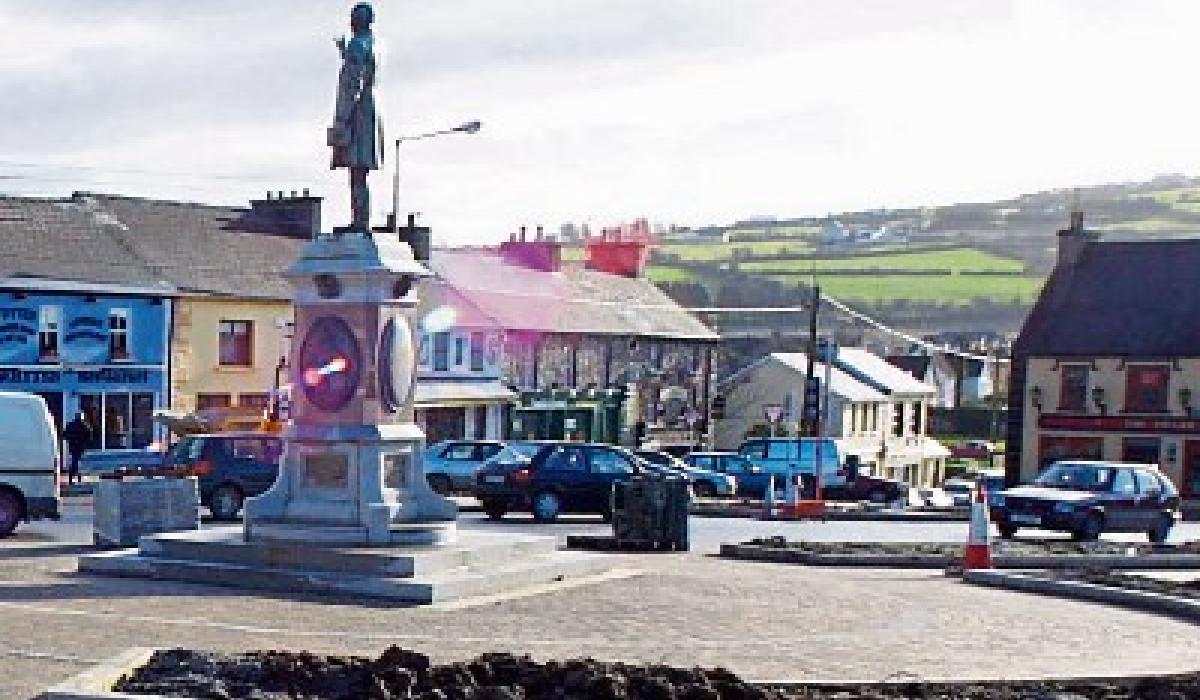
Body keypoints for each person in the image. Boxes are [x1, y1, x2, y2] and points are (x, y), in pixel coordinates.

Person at [329, 2, 384, 233]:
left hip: (357, 114)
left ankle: (359, 222)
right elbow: (362, 71)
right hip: (370, 111)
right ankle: (361, 220)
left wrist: (341, 120)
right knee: (359, 172)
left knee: (356, 171)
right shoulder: (375, 44)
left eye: (353, 18)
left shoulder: (357, 45)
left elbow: (353, 83)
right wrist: (345, 54)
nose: (350, 22)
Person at [62, 412, 93, 485]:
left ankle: (73, 477)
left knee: (74, 461)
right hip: (80, 446)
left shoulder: (70, 425)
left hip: (73, 446)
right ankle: (77, 477)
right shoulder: (84, 425)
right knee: (77, 462)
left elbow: (64, 434)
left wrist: (70, 440)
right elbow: (89, 435)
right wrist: (85, 443)